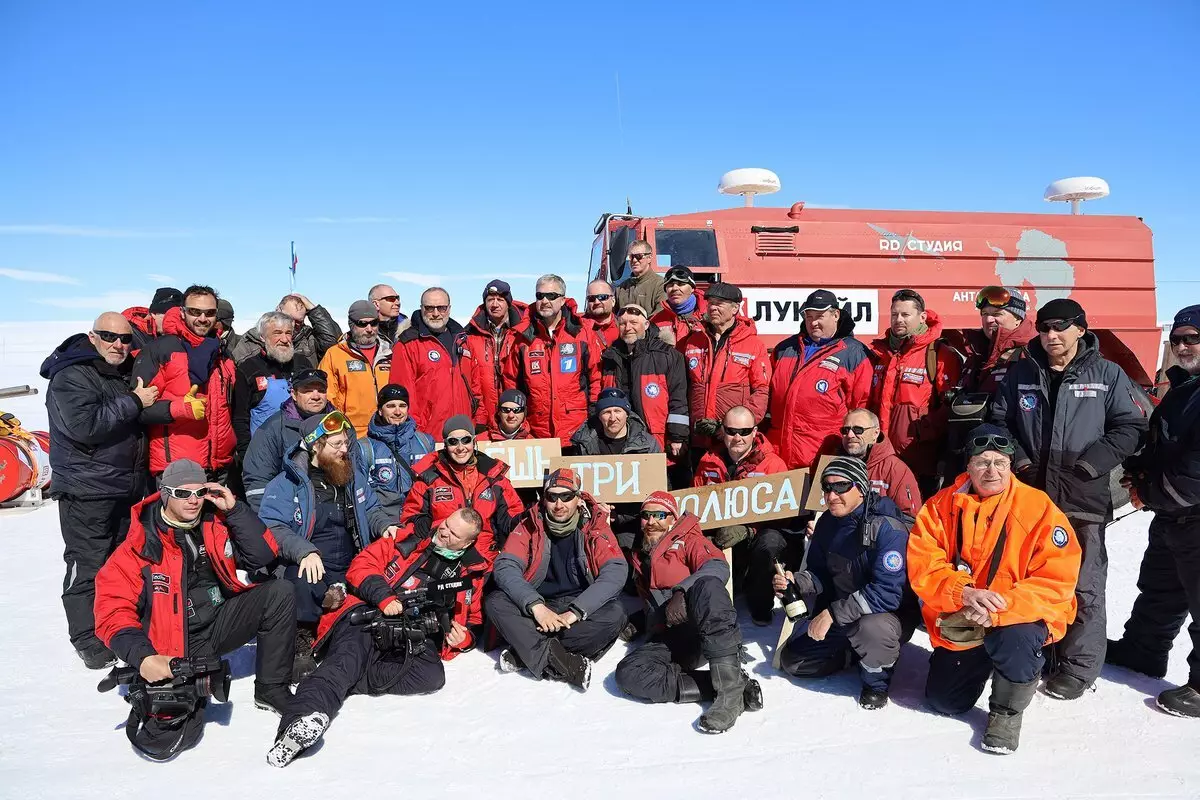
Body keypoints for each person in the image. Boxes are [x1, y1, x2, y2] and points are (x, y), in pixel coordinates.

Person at [990, 298, 1148, 700]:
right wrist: (1021, 462)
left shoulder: (1107, 374)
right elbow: (998, 421)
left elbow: (1131, 425)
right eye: (1043, 329)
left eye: (1060, 328)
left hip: (1082, 497)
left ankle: (1079, 666)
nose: (1051, 336)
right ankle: (1039, 651)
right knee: (1029, 577)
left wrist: (1093, 465)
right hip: (1031, 498)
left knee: (1084, 583)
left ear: (1081, 328)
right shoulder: (1021, 371)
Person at [94, 460, 296, 759]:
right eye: (182, 492)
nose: (192, 500)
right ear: (164, 493)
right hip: (174, 646)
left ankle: (271, 687)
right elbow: (112, 610)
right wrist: (144, 657)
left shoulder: (214, 524)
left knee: (280, 591)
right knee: (177, 719)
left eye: (199, 492)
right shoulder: (140, 543)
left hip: (218, 621)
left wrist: (235, 510)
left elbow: (263, 555)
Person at [267, 509, 489, 768]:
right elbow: (361, 566)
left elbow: (473, 619)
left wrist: (463, 640)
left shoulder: (471, 572)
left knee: (431, 676)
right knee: (346, 660)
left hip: (414, 630)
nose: (444, 531)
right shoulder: (408, 538)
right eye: (446, 524)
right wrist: (384, 596)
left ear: (468, 543)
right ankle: (298, 722)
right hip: (367, 613)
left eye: (453, 533)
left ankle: (347, 677)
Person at [907, 425, 1081, 754]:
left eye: (999, 462)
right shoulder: (938, 508)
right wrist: (963, 592)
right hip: (963, 618)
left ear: (1011, 465)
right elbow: (923, 566)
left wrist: (1000, 607)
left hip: (1015, 618)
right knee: (944, 702)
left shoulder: (1038, 507)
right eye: (982, 462)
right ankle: (980, 662)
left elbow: (1056, 580)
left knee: (1016, 640)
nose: (991, 471)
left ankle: (1007, 712)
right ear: (967, 466)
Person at [41, 312, 159, 668]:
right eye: (109, 337)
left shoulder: (121, 373)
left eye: (125, 339)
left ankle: (116, 623)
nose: (118, 345)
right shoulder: (72, 375)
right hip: (85, 490)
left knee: (120, 564)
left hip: (123, 487)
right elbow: (84, 426)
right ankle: (86, 636)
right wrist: (136, 402)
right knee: (87, 563)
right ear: (92, 337)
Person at [258, 411, 398, 681]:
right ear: (315, 446)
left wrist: (384, 525)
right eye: (337, 445)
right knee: (298, 580)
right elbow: (272, 526)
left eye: (346, 442)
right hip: (314, 561)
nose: (345, 449)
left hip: (351, 559)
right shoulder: (287, 483)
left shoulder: (351, 474)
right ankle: (302, 642)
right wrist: (303, 550)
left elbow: (370, 507)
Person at [1109, 305, 1200, 716]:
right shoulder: (1183, 386)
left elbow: (1194, 472)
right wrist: (1138, 469)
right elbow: (1165, 443)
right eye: (1177, 339)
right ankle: (1143, 652)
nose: (1182, 346)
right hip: (1173, 516)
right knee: (1160, 588)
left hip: (1192, 511)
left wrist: (1149, 491)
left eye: (1192, 338)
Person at [614, 492, 760, 733]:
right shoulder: (641, 552)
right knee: (629, 674)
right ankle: (727, 685)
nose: (652, 521)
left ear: (672, 518)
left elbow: (717, 566)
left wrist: (683, 592)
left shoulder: (689, 540)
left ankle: (729, 697)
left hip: (702, 629)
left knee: (708, 584)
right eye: (646, 515)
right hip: (668, 637)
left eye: (660, 515)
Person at [777, 457, 912, 709]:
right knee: (793, 662)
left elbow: (887, 594)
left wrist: (831, 614)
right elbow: (819, 572)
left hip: (886, 616)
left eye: (841, 487)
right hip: (844, 613)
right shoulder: (827, 523)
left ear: (861, 488)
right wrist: (797, 581)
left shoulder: (888, 529)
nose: (831, 495)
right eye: (826, 488)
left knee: (871, 629)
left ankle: (877, 681)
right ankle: (852, 653)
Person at [487, 468, 629, 688]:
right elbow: (506, 566)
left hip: (577, 606)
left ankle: (526, 650)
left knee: (615, 614)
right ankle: (564, 662)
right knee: (496, 602)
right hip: (538, 605)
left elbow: (616, 570)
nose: (559, 504)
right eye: (552, 497)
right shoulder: (529, 524)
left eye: (567, 496)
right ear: (544, 499)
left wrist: (576, 611)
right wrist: (535, 606)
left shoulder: (594, 525)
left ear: (579, 499)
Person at [694, 406, 791, 623]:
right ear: (722, 431)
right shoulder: (708, 461)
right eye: (731, 431)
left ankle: (760, 606)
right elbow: (696, 505)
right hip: (719, 537)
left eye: (745, 432)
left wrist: (749, 529)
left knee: (771, 542)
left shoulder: (773, 464)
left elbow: (783, 514)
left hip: (755, 539)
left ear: (755, 432)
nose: (738, 438)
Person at [132, 285, 237, 479]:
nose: (203, 319)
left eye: (210, 313)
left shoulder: (221, 353)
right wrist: (179, 409)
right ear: (182, 312)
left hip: (219, 466)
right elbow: (137, 410)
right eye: (195, 312)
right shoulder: (160, 350)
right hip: (177, 469)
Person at [868, 289, 962, 495]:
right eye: (894, 315)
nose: (898, 320)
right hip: (880, 455)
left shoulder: (939, 353)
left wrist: (922, 433)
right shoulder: (879, 353)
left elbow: (951, 407)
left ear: (922, 317)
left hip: (919, 461)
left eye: (905, 315)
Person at [767, 289, 873, 470]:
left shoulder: (855, 354)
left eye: (819, 316)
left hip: (824, 457)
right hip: (779, 458)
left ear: (836, 315)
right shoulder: (785, 349)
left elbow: (860, 409)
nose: (813, 323)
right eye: (809, 317)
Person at [398, 415, 523, 560]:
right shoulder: (429, 479)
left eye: (466, 440)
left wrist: (530, 516)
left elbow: (513, 519)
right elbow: (410, 517)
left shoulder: (493, 477)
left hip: (486, 558)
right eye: (453, 442)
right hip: (442, 556)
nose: (460, 448)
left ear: (474, 441)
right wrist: (424, 526)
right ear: (445, 445)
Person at [505, 274, 602, 446]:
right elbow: (511, 381)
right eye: (540, 296)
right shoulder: (523, 338)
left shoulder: (581, 333)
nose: (544, 301)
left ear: (563, 300)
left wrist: (594, 413)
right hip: (537, 431)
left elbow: (596, 376)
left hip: (577, 431)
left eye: (551, 296)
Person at [679, 282, 771, 449]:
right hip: (697, 436)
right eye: (710, 303)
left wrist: (734, 427)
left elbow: (761, 391)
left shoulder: (753, 344)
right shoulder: (693, 341)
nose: (713, 308)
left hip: (733, 439)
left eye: (719, 304)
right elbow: (681, 387)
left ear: (735, 308)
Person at [571, 388, 662, 552]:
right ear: (599, 416)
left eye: (617, 411)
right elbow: (576, 488)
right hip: (593, 516)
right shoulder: (583, 444)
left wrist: (620, 517)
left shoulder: (647, 444)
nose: (613, 418)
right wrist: (595, 505)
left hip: (633, 520)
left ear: (627, 413)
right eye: (606, 412)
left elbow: (656, 490)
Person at [600, 302, 689, 461]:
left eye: (634, 322)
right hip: (620, 436)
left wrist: (677, 436)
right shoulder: (610, 357)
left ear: (646, 324)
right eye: (622, 323)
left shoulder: (668, 356)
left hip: (655, 436)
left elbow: (679, 399)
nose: (628, 327)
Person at [242, 368, 335, 511]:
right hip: (293, 512)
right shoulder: (272, 429)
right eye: (308, 390)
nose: (316, 396)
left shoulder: (339, 424)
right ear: (294, 394)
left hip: (336, 509)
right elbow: (257, 483)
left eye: (321, 390)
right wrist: (273, 523)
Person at [389, 287, 474, 440]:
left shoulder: (463, 341)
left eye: (441, 308)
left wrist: (476, 423)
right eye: (429, 308)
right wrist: (416, 433)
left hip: (462, 436)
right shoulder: (408, 344)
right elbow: (401, 397)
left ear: (449, 309)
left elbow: (475, 388)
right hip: (427, 436)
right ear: (421, 308)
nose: (435, 313)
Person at [231, 312, 315, 458]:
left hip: (302, 451)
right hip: (264, 453)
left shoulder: (303, 364)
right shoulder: (249, 368)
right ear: (262, 337)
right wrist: (247, 455)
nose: (284, 339)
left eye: (288, 333)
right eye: (277, 333)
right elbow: (240, 418)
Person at [360, 385, 436, 519]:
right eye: (390, 406)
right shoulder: (365, 447)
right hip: (384, 522)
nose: (397, 412)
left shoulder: (425, 442)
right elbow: (364, 495)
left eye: (402, 405)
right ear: (380, 410)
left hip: (419, 518)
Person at [318, 300, 393, 435]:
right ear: (351, 324)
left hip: (387, 431)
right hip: (352, 433)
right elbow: (327, 398)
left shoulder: (390, 353)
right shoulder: (334, 354)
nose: (369, 329)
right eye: (362, 324)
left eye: (374, 323)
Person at [465, 280, 526, 431]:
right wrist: (479, 416)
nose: (495, 304)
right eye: (490, 299)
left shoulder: (524, 332)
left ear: (508, 303)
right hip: (483, 413)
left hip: (516, 413)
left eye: (500, 299)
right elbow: (470, 380)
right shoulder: (470, 334)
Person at [840, 408, 921, 520]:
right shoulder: (835, 466)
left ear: (875, 433)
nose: (850, 435)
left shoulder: (896, 470)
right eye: (845, 430)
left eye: (858, 430)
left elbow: (909, 520)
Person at [233, 293, 342, 365]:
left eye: (299, 321)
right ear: (278, 310)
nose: (293, 325)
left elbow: (332, 344)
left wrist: (314, 309)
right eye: (289, 318)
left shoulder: (308, 338)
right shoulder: (253, 339)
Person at [650, 266, 707, 349]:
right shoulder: (656, 321)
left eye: (681, 284)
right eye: (670, 285)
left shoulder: (711, 315)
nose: (675, 288)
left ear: (692, 288)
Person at [614, 239, 665, 315]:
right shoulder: (620, 289)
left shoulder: (661, 285)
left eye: (639, 256)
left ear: (649, 258)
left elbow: (661, 314)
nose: (634, 260)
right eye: (631, 256)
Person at [123, 286, 181, 351]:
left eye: (179, 317)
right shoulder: (128, 336)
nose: (175, 321)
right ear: (154, 314)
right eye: (169, 316)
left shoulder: (172, 337)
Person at [584, 279, 619, 347]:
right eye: (591, 298)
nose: (596, 302)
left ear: (613, 301)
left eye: (602, 297)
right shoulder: (577, 326)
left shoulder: (624, 327)